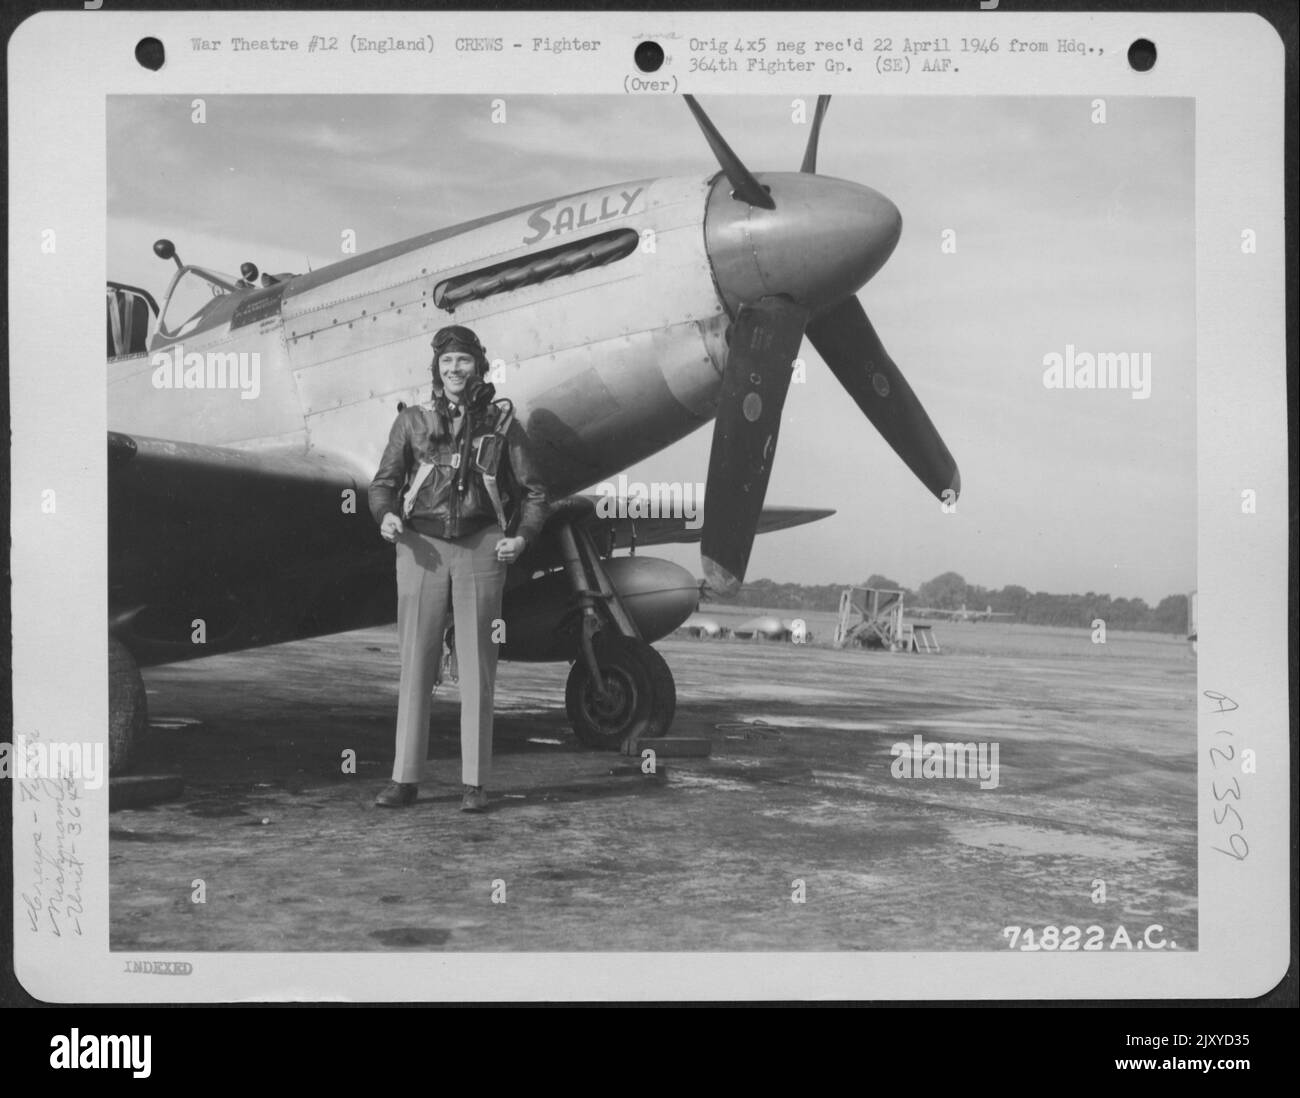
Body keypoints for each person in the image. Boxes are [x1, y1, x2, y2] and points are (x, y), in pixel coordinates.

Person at [368, 325, 549, 811]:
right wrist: (385, 515)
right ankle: (404, 780)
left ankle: (475, 784)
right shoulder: (411, 421)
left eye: (464, 361)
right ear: (437, 368)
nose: (455, 369)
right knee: (415, 664)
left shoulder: (504, 424)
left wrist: (521, 538)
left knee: (477, 667)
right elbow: (382, 483)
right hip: (419, 545)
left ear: (478, 366)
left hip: (482, 545)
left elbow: (534, 492)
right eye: (447, 362)